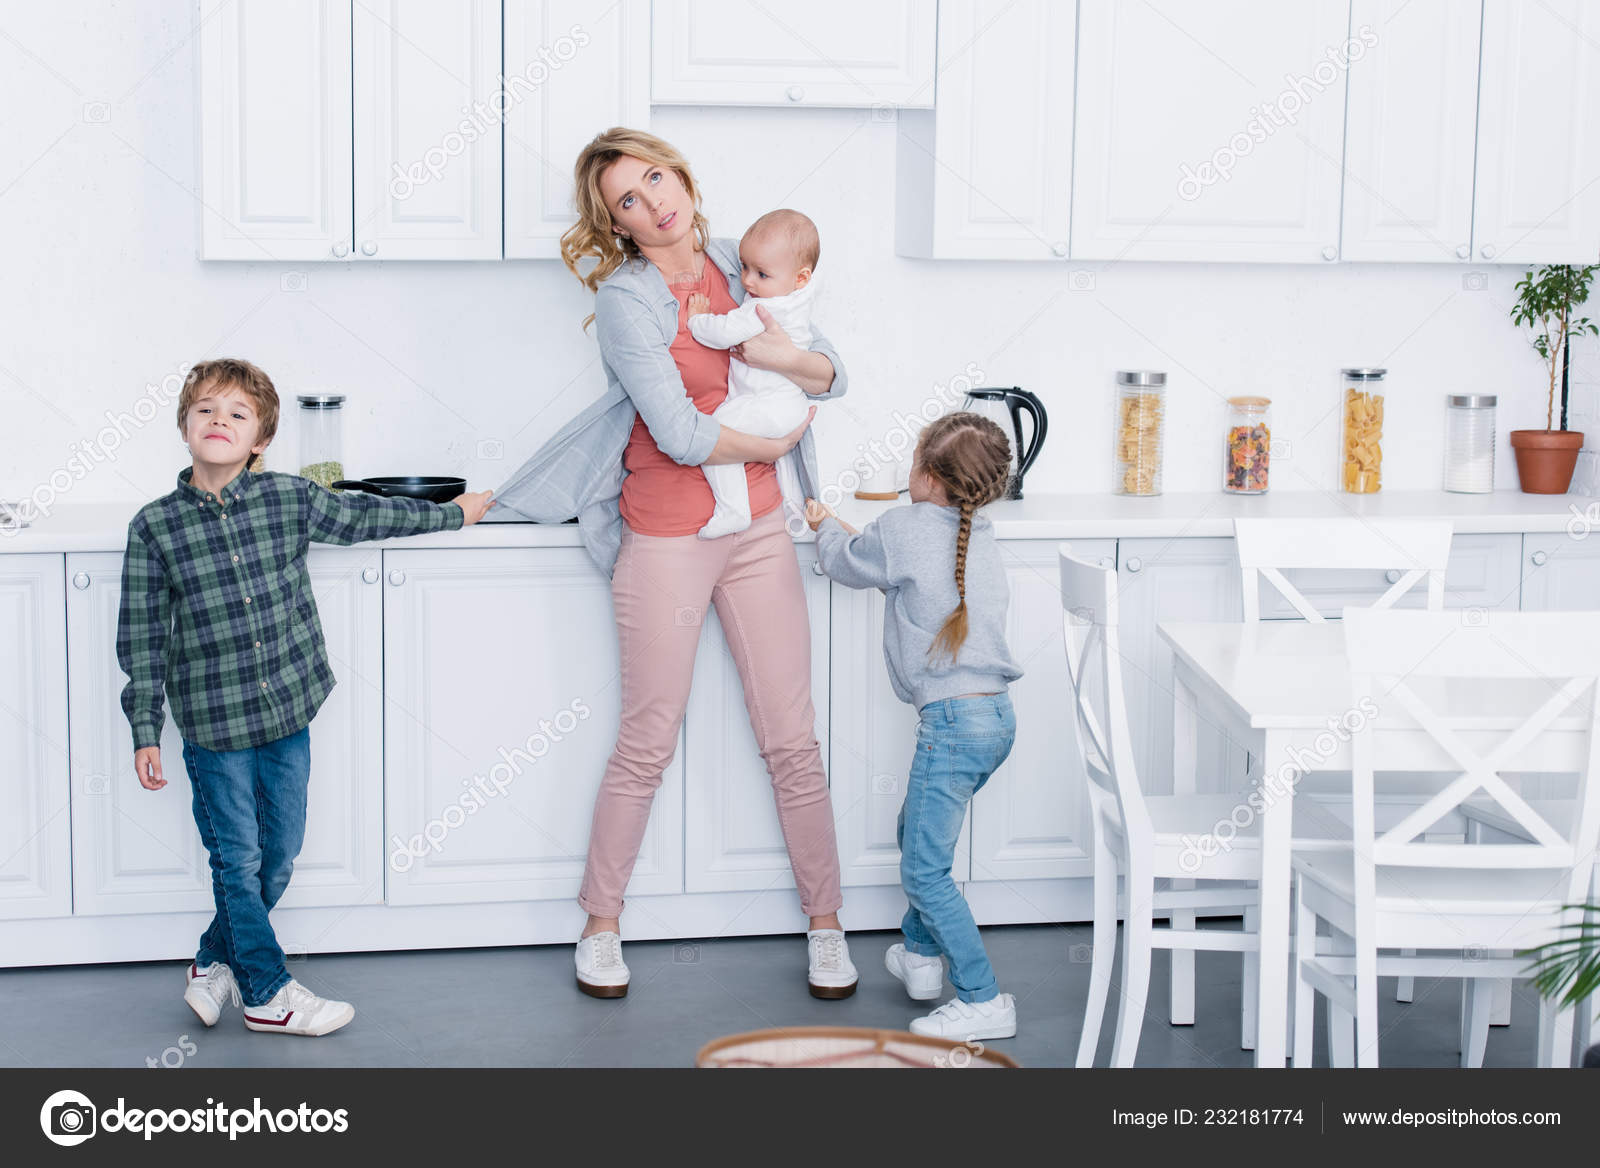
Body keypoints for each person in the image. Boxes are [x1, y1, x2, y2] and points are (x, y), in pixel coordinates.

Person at [492, 128, 857, 1000]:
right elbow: (680, 433)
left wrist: (781, 368)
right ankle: (601, 924)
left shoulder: (745, 258)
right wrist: (780, 427)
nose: (653, 201)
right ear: (616, 225)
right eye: (628, 198)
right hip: (665, 539)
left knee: (793, 740)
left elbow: (831, 372)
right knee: (648, 738)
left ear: (682, 177)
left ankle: (828, 924)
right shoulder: (627, 299)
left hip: (761, 529)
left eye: (656, 177)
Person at [117, 358, 493, 1036]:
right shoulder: (155, 527)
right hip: (213, 726)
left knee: (279, 854)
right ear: (183, 426)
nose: (220, 421)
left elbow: (364, 516)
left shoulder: (290, 498)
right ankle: (267, 993)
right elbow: (141, 637)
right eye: (206, 409)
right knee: (236, 858)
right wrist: (146, 727)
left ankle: (211, 961)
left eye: (237, 414)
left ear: (261, 439)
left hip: (288, 709)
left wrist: (450, 515)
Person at [806, 411, 1024, 1039]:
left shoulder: (899, 526)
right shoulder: (976, 531)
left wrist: (823, 529)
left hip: (952, 722)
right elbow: (909, 574)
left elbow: (849, 565)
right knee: (920, 832)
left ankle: (984, 999)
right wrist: (851, 536)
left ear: (926, 476)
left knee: (924, 868)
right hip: (996, 721)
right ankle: (921, 958)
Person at [685, 207, 822, 539]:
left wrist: (697, 320)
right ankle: (795, 506)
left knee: (715, 436)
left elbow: (722, 332)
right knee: (781, 465)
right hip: (785, 406)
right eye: (744, 267)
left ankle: (733, 509)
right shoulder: (793, 296)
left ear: (800, 276)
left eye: (761, 274)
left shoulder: (765, 308)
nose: (747, 280)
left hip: (769, 404)